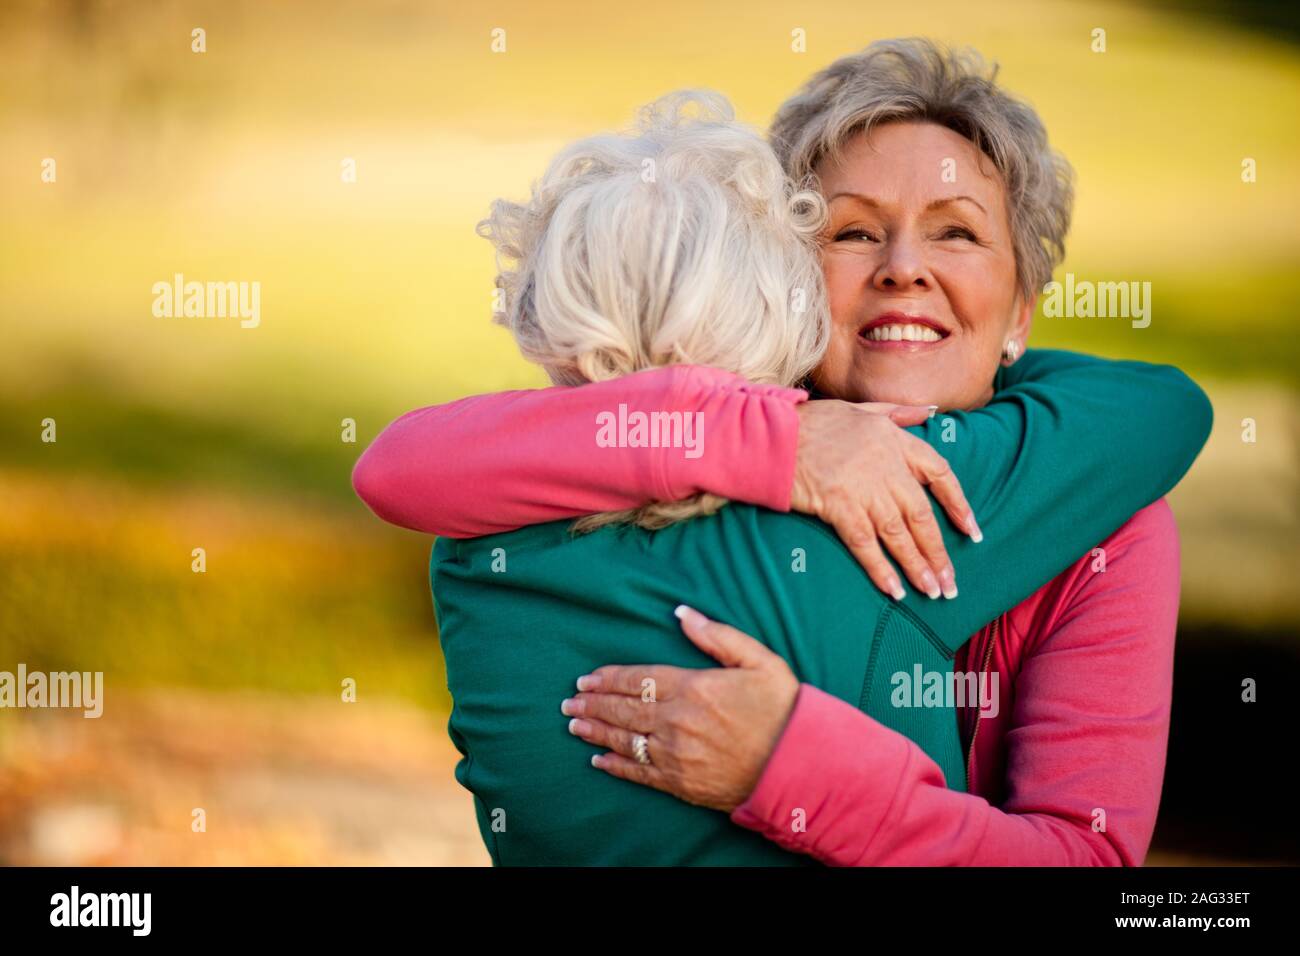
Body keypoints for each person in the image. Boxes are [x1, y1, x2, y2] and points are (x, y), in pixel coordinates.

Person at [353, 42, 1212, 865]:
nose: (904, 267)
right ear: (788, 279)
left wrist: (790, 768)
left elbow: (1085, 860)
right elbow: (407, 465)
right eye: (852, 233)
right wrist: (774, 438)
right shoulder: (729, 472)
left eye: (956, 234)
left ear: (1021, 307)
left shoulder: (1111, 515)